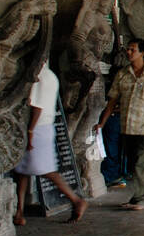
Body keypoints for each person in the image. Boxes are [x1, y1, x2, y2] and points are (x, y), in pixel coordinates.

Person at [95, 37, 144, 212]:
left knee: (141, 164)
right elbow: (112, 101)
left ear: (142, 53)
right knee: (132, 165)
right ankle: (136, 196)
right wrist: (102, 123)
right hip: (127, 128)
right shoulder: (122, 74)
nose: (129, 53)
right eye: (128, 50)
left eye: (133, 50)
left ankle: (140, 198)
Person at [12, 58, 88, 225]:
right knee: (22, 170)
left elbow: (37, 106)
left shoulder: (39, 76)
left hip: (38, 127)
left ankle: (75, 199)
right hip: (45, 126)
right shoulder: (51, 75)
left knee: (46, 170)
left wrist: (31, 130)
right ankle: (19, 211)